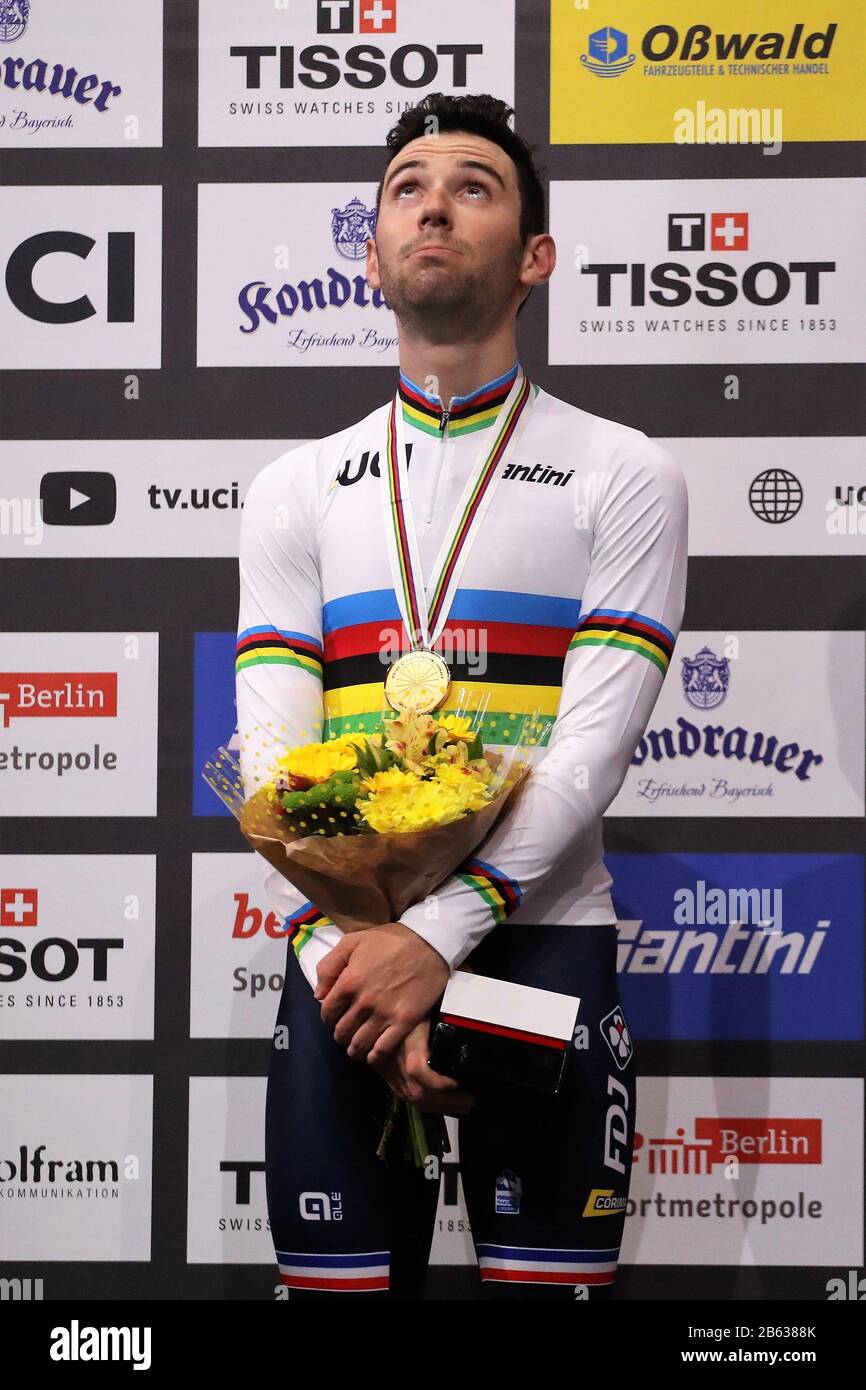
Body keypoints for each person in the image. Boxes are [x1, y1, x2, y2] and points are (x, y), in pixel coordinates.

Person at [235, 93, 688, 1299]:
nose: (433, 201)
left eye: (473, 184)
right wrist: (368, 954)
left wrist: (435, 940)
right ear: (370, 252)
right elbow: (278, 763)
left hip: (537, 940)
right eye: (406, 187)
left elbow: (591, 746)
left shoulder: (623, 470)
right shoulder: (292, 485)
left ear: (534, 255)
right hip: (344, 962)